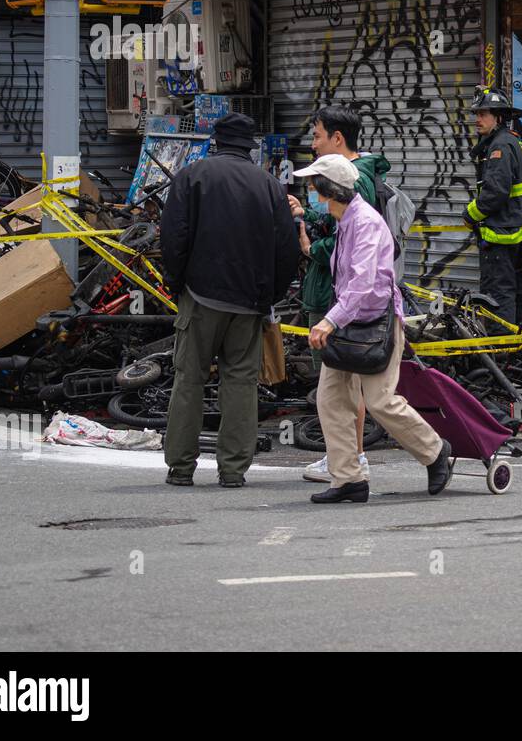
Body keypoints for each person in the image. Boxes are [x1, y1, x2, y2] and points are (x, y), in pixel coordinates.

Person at [298, 154, 453, 503]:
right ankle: (348, 478)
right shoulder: (344, 221)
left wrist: (329, 320)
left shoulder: (365, 222)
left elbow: (363, 282)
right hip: (349, 323)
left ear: (328, 191)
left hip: (375, 325)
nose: (310, 191)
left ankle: (434, 451)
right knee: (331, 399)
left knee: (380, 400)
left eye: (313, 185)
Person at [160, 113, 300, 488]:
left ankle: (181, 468)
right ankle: (234, 470)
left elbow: (172, 237)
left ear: (216, 142)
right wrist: (270, 295)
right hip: (249, 303)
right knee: (240, 383)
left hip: (200, 297)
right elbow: (287, 249)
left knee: (189, 379)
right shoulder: (269, 185)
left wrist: (176, 285)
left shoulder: (192, 176)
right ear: (249, 148)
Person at [286, 105, 390, 484]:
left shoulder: (354, 180)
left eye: (317, 137)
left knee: (349, 388)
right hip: (336, 295)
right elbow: (333, 226)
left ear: (337, 139)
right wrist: (307, 217)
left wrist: (311, 248)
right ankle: (345, 457)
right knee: (339, 386)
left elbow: (351, 245)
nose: (313, 146)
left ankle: (352, 457)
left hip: (341, 300)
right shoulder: (344, 180)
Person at [465, 86, 522, 331]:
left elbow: (495, 192)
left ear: (499, 117)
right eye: (476, 114)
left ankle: (503, 358)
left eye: (483, 114)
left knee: (498, 299)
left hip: (502, 239)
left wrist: (469, 214)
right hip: (517, 239)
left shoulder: (499, 147)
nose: (477, 119)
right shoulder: (513, 142)